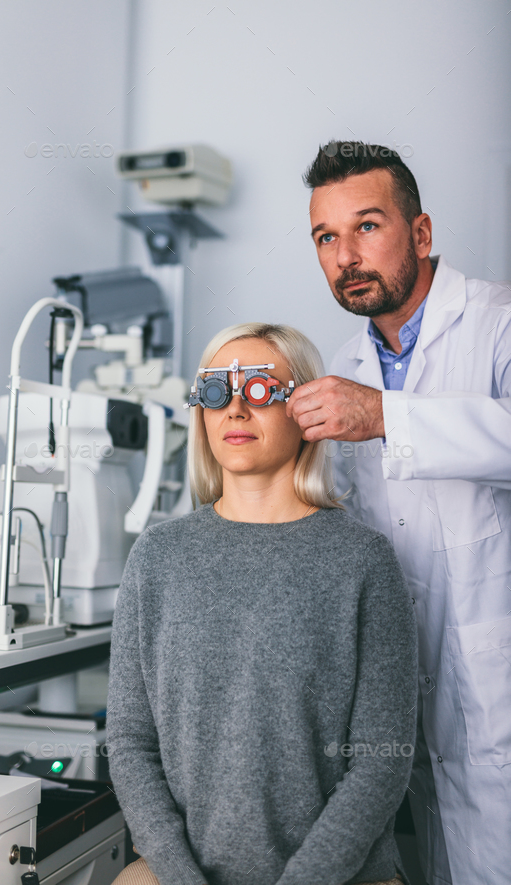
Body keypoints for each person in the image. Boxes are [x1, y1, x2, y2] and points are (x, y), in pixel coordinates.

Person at [106, 322, 417, 885]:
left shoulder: (362, 562)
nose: (235, 411)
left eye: (257, 390)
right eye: (218, 392)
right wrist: (178, 875)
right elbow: (130, 742)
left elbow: (381, 761)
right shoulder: (158, 556)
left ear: (305, 412)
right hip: (184, 872)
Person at [287, 141, 511, 885]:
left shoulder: (498, 322)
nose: (346, 255)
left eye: (368, 227)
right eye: (326, 237)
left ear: (420, 233)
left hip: (493, 667)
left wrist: (391, 417)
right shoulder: (340, 368)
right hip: (394, 678)